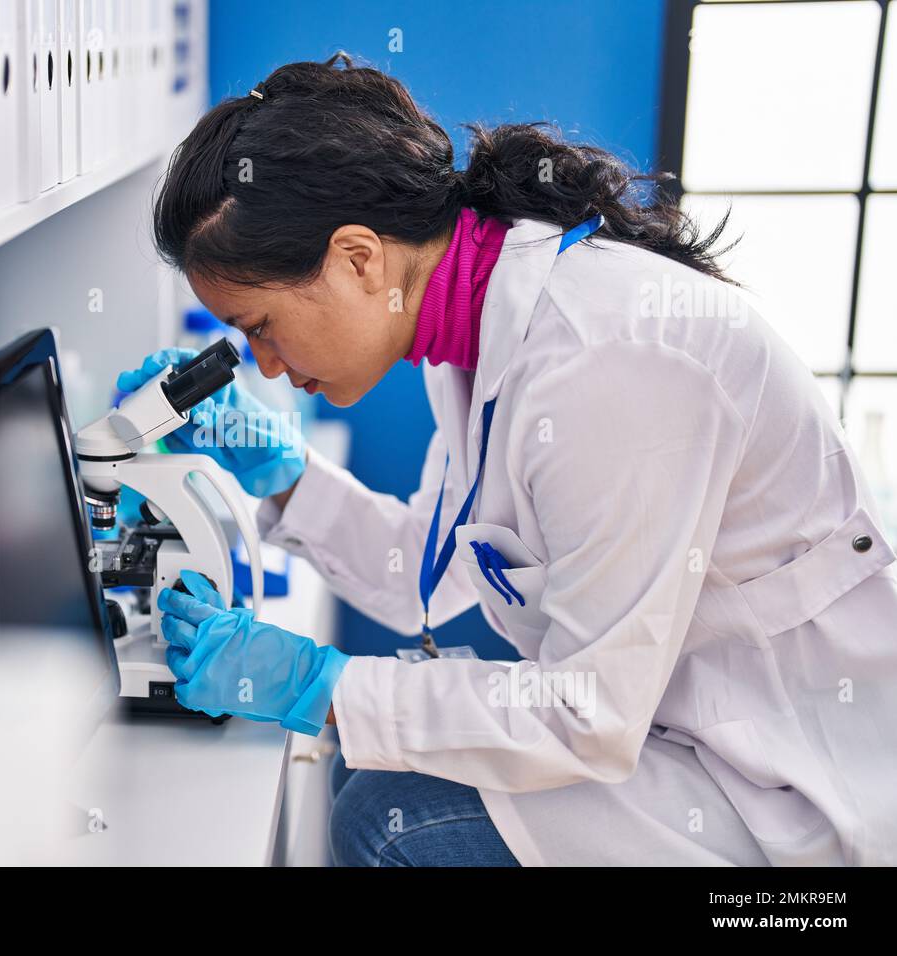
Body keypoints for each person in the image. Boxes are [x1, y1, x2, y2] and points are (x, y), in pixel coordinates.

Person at [118, 54, 897, 866]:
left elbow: (584, 714)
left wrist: (321, 685)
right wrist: (282, 471)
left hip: (795, 801)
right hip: (686, 738)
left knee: (391, 818)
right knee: (381, 760)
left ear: (358, 259)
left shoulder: (606, 361)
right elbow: (422, 564)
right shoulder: (477, 324)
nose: (266, 364)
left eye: (260, 326)